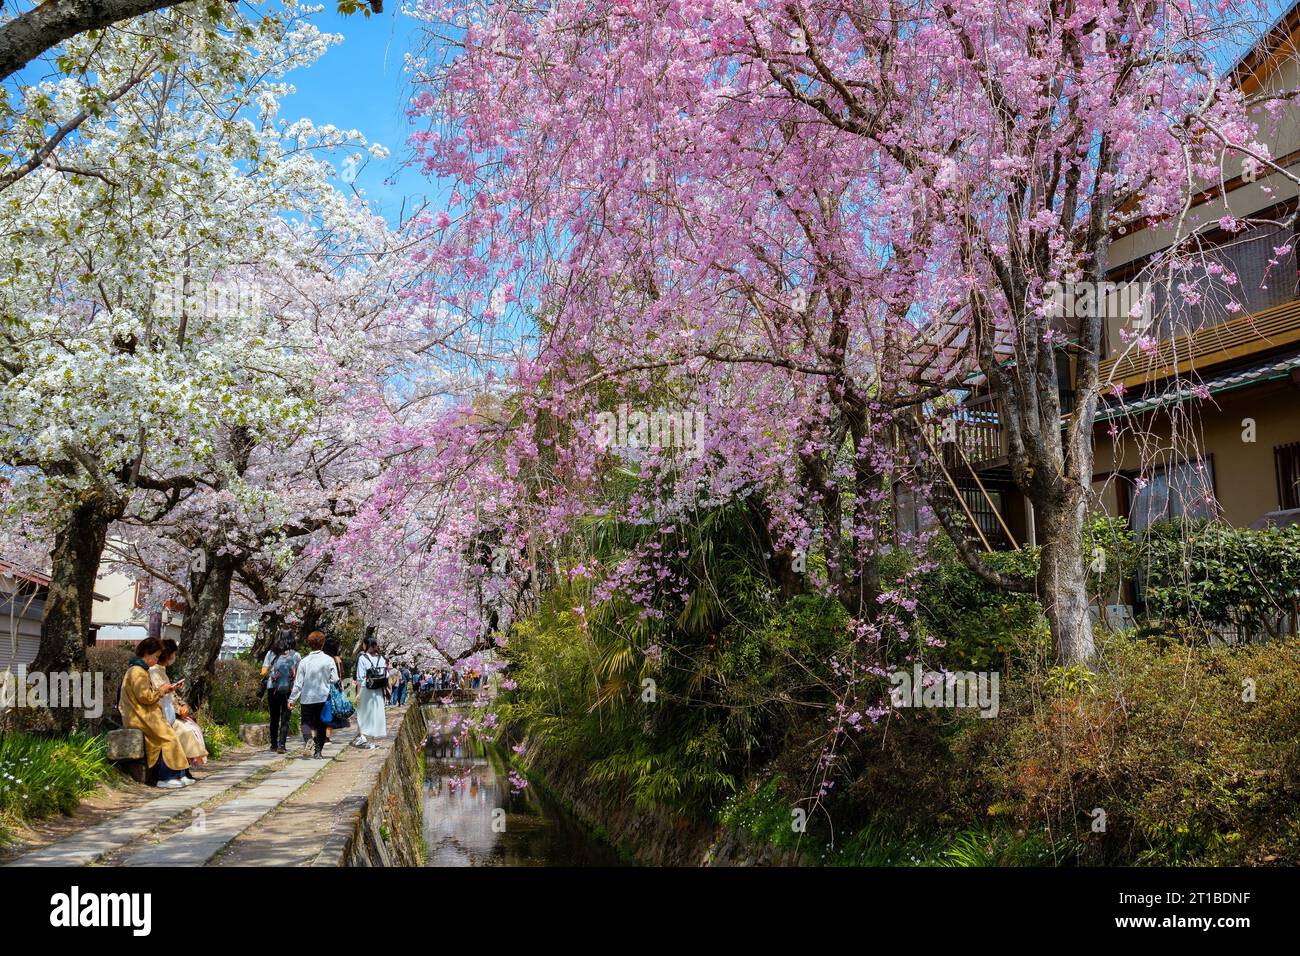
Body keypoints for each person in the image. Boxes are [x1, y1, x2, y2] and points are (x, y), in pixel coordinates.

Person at [120, 637, 194, 789]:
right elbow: (145, 697)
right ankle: (166, 777)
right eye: (155, 656)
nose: (156, 660)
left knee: (169, 735)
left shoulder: (139, 670)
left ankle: (178, 775)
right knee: (168, 737)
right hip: (139, 716)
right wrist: (161, 691)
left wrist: (167, 690)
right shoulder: (137, 672)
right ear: (147, 653)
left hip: (144, 714)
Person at [150, 639, 208, 766]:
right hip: (163, 715)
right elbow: (162, 695)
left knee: (193, 728)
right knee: (187, 731)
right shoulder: (154, 672)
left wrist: (182, 706)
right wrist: (178, 709)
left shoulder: (161, 671)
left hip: (170, 712)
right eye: (174, 654)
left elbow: (171, 695)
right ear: (169, 655)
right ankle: (183, 766)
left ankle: (185, 765)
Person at [288, 630, 339, 759]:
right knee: (321, 725)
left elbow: (298, 683)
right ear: (322, 644)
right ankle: (318, 752)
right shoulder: (329, 660)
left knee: (305, 723)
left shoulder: (304, 661)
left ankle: (308, 740)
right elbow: (335, 679)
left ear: (310, 644)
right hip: (323, 697)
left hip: (307, 698)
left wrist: (292, 699)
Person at [263, 634, 300, 754]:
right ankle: (282, 745)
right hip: (288, 690)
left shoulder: (271, 653)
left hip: (272, 689)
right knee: (286, 718)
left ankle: (273, 744)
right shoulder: (296, 655)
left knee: (274, 717)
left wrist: (272, 675)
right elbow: (299, 674)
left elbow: (263, 671)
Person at [353, 637, 387, 749]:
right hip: (378, 690)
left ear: (366, 645)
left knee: (363, 713)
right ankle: (372, 740)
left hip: (366, 689)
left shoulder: (363, 658)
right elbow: (386, 675)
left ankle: (364, 736)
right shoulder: (381, 658)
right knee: (376, 713)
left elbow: (360, 677)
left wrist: (358, 693)